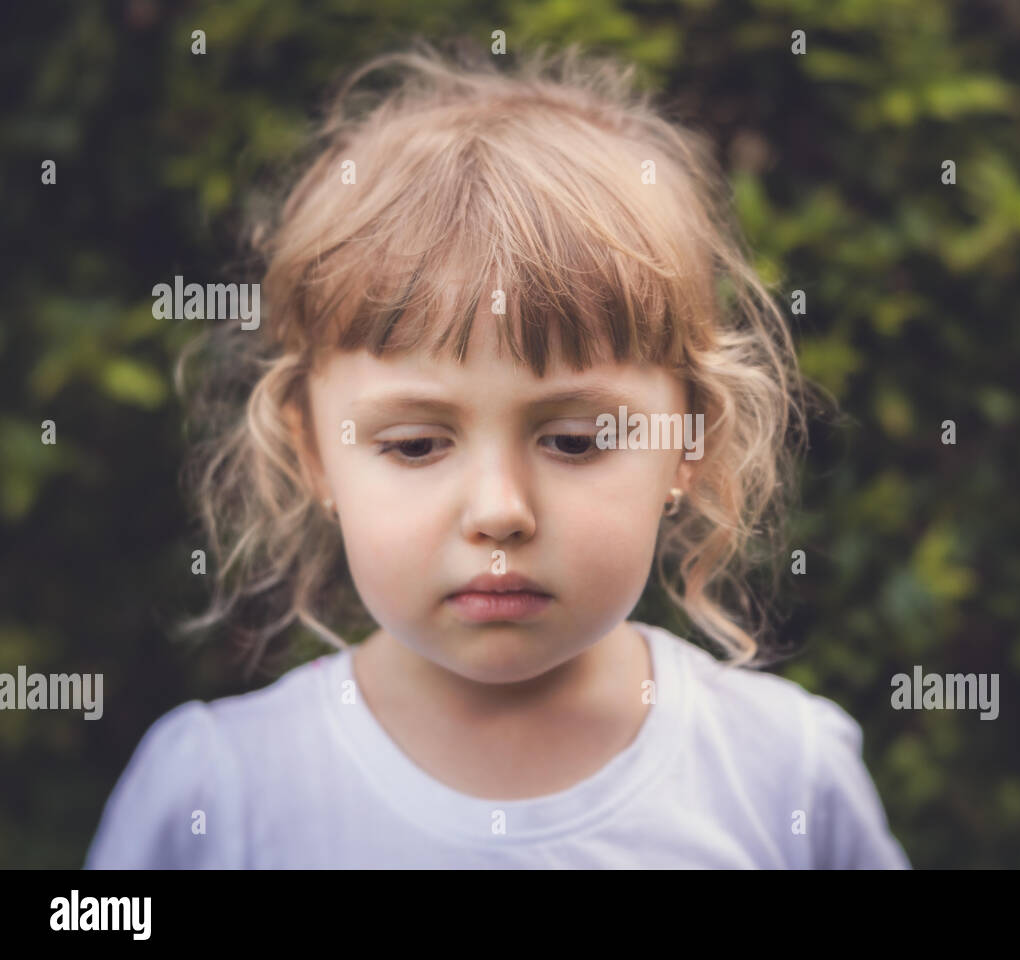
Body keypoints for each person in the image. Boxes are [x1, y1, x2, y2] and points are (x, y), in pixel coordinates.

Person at [84, 40, 909, 869]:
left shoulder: (786, 776)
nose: (499, 511)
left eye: (576, 440)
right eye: (414, 444)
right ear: (315, 452)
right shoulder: (216, 796)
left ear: (688, 442)